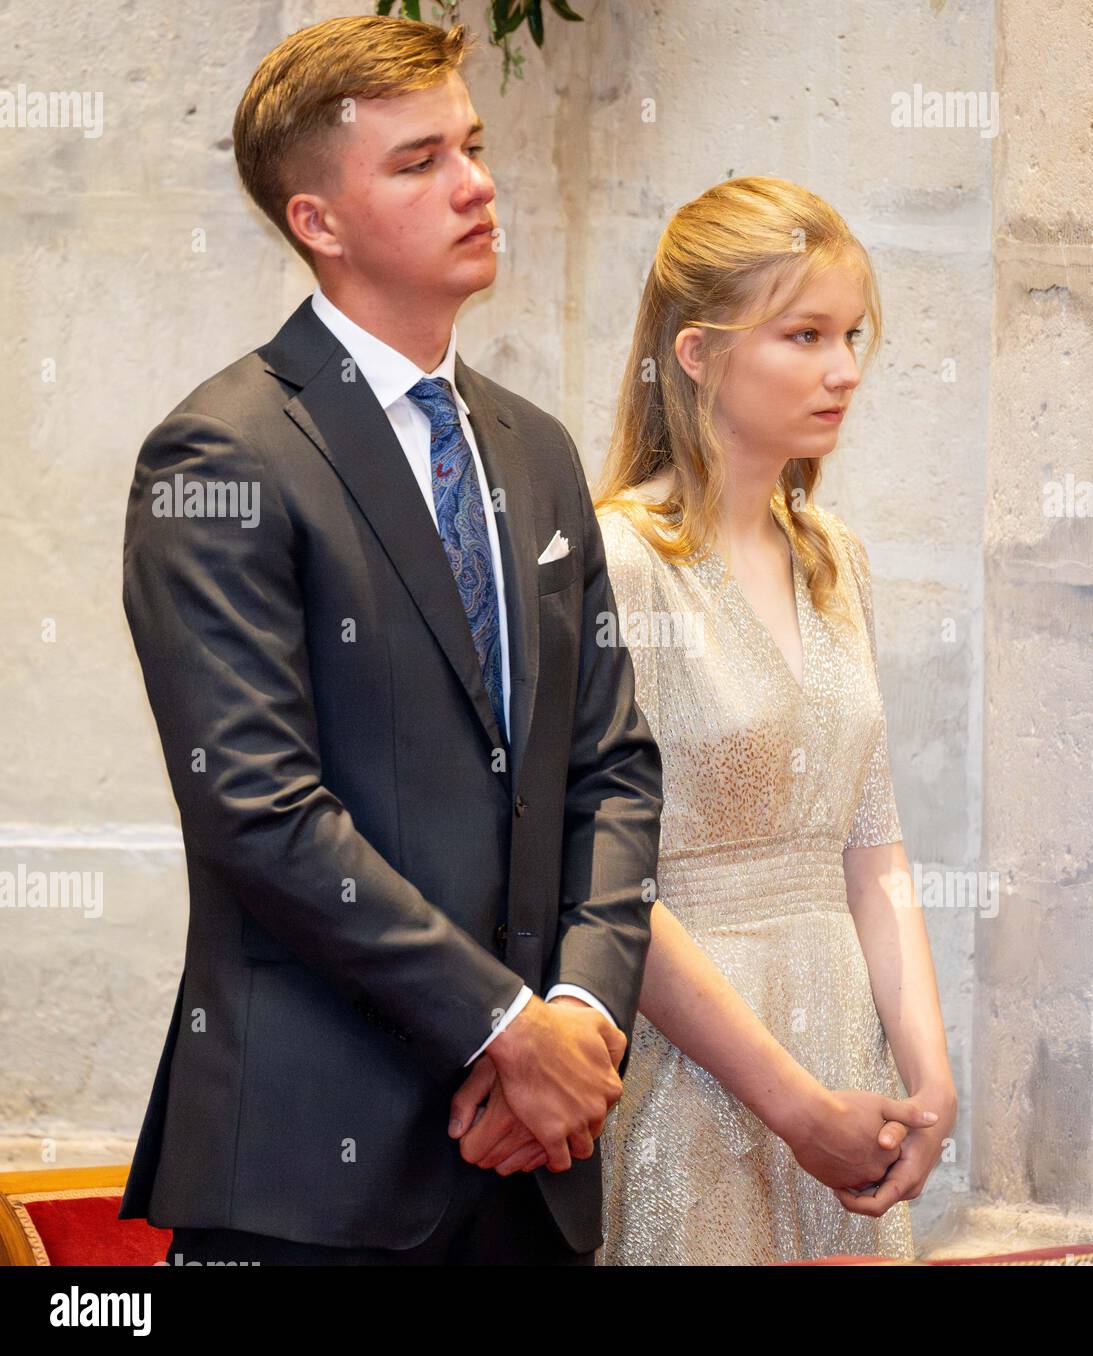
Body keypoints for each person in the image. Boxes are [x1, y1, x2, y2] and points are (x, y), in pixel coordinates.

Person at [118, 14, 661, 1266]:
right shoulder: (225, 455)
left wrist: (577, 1017)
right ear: (319, 221)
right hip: (315, 1169)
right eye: (418, 163)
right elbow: (256, 807)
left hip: (536, 1159)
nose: (475, 184)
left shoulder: (535, 447)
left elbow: (613, 764)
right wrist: (504, 1028)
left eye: (470, 146)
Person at [591, 177, 957, 1264]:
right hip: (689, 1061)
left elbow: (872, 845)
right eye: (804, 335)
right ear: (697, 354)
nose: (843, 368)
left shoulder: (834, 559)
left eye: (851, 335)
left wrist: (928, 1075)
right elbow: (606, 884)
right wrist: (790, 1105)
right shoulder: (621, 559)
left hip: (845, 1047)